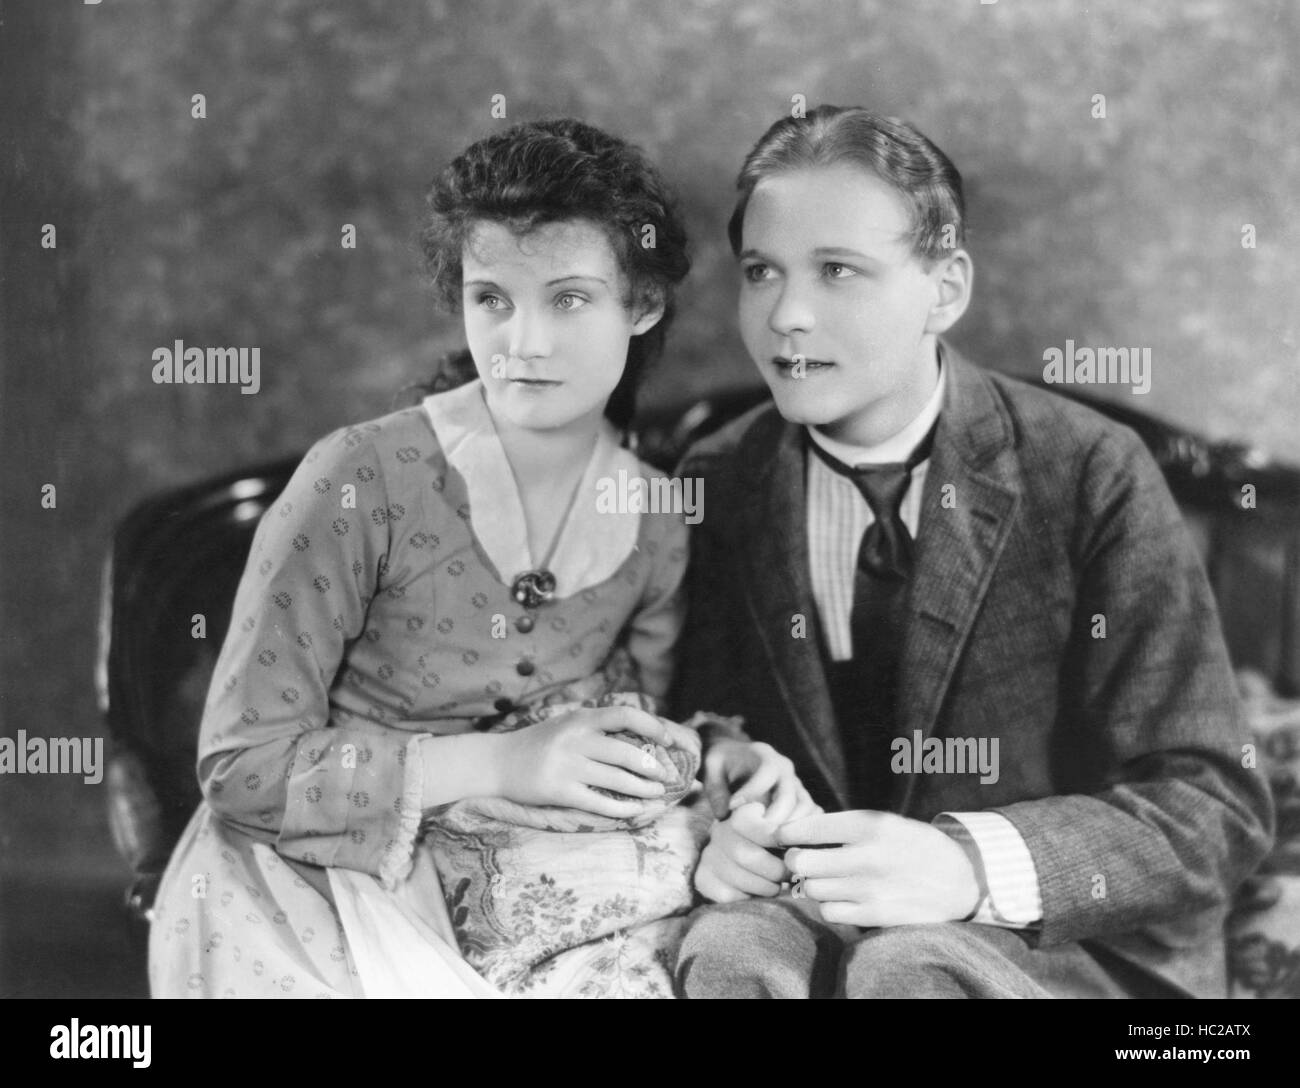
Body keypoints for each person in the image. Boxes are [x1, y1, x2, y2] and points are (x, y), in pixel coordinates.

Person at [148, 118, 811, 999]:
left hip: (545, 872)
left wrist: (712, 755)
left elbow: (627, 717)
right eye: (492, 298)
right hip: (318, 874)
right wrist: (503, 763)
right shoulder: (361, 477)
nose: (522, 342)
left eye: (568, 299)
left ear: (642, 304)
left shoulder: (655, 515)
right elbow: (240, 767)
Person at [670, 106, 1275, 998]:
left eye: (838, 271)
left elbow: (1212, 802)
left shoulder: (1089, 468)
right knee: (729, 951)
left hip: (1062, 943)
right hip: (815, 918)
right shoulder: (720, 477)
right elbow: (701, 719)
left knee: (908, 965)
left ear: (945, 289)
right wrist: (714, 816)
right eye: (762, 272)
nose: (786, 315)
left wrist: (969, 865)